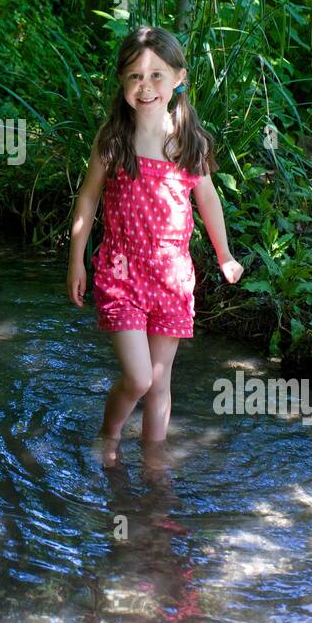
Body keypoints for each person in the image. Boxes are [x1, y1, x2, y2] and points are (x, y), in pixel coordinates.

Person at [66, 25, 244, 465]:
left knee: (161, 382)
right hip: (121, 273)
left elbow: (208, 200)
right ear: (122, 83)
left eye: (156, 75)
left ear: (178, 78)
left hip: (171, 276)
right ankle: (108, 435)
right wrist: (77, 260)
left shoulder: (188, 142)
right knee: (140, 377)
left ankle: (153, 465)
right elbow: (88, 198)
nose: (145, 87)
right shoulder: (113, 140)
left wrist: (224, 255)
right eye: (134, 77)